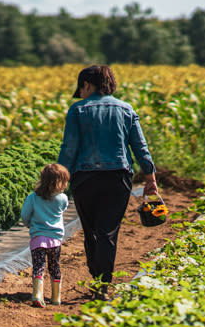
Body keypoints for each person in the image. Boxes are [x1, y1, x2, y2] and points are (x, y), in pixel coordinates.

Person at [57, 65, 157, 300]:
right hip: (117, 178)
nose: (80, 93)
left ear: (88, 85)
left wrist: (59, 178)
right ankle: (103, 283)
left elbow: (69, 148)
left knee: (91, 230)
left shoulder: (77, 110)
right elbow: (140, 146)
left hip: (85, 179)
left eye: (80, 88)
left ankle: (96, 278)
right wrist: (150, 176)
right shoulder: (126, 109)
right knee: (108, 232)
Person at [20, 163, 71, 307]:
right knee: (55, 267)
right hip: (55, 240)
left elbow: (24, 215)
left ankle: (37, 295)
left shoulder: (33, 198)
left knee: (38, 267)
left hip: (38, 239)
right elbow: (63, 209)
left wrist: (30, 224)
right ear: (59, 182)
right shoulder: (62, 199)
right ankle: (56, 298)